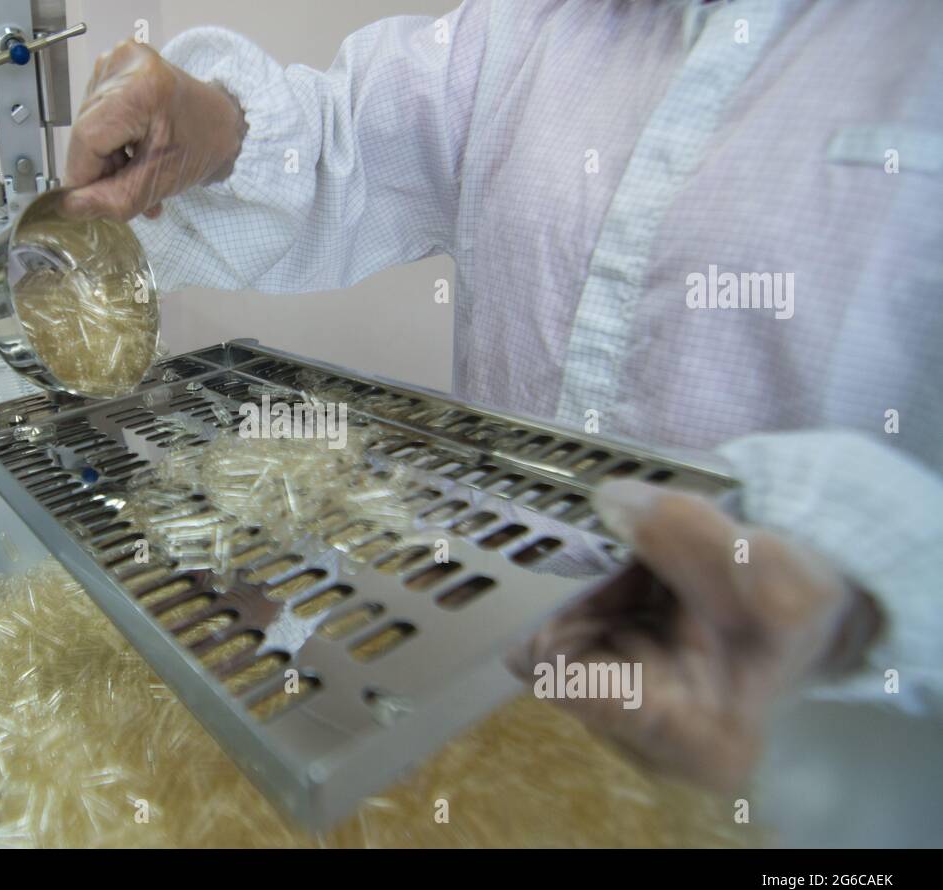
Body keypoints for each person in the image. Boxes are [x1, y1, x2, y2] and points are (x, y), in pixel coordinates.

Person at [58, 0, 943, 791]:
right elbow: (346, 147)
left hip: (820, 783)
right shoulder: (533, 28)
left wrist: (864, 597)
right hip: (487, 685)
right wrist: (213, 126)